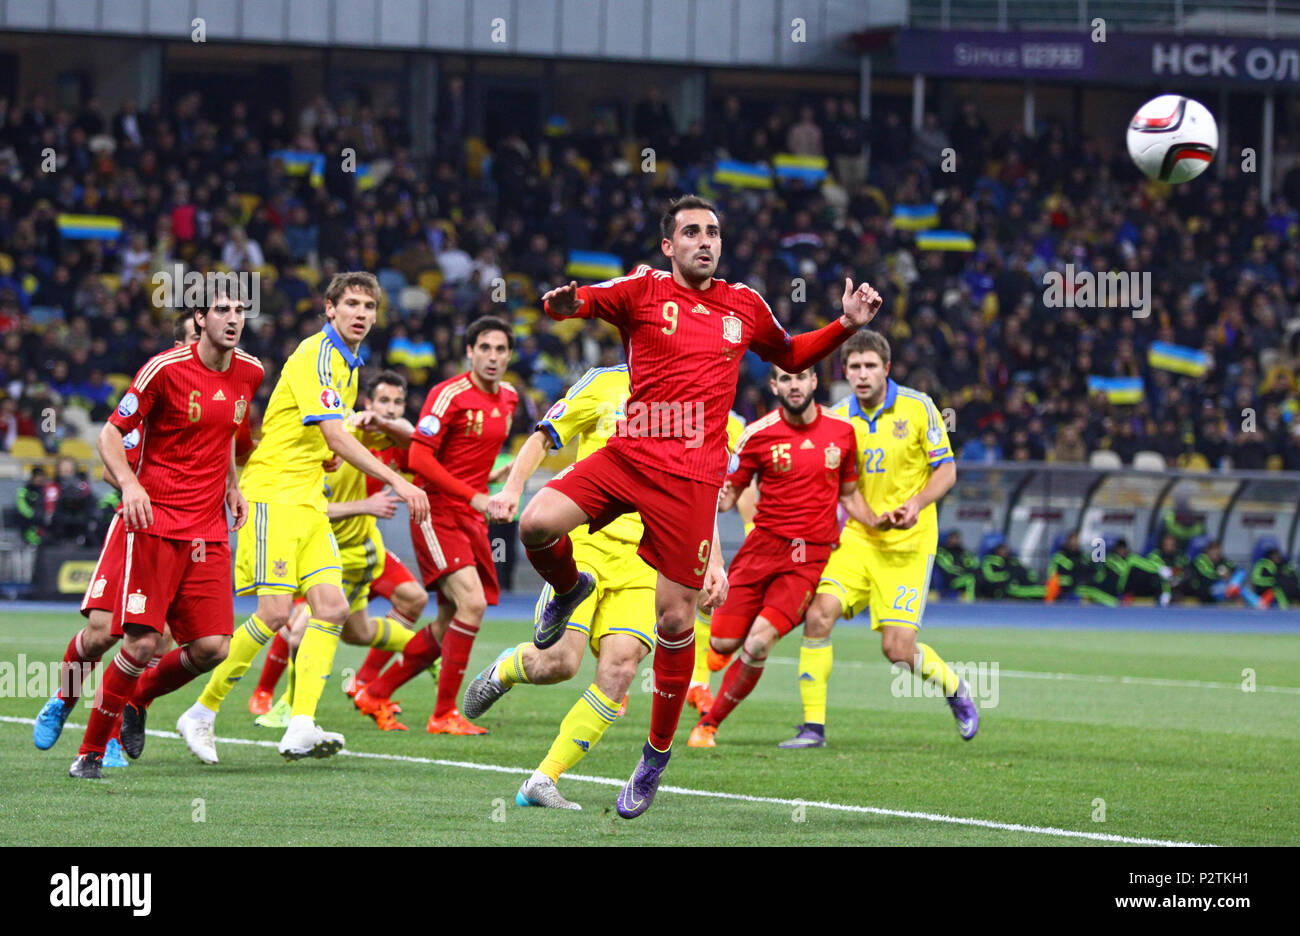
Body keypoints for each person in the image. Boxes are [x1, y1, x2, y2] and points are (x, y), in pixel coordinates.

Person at [524, 195, 882, 816]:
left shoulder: (743, 304)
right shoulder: (642, 289)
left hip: (691, 479)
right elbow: (589, 297)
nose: (704, 241)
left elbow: (791, 353)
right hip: (629, 455)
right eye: (690, 232)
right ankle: (567, 588)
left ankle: (654, 758)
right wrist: (566, 304)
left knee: (674, 623)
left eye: (712, 232)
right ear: (669, 246)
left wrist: (845, 324)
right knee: (535, 523)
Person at [176, 272, 429, 764]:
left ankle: (301, 724)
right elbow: (336, 435)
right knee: (273, 615)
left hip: (309, 500)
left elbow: (321, 438)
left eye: (369, 306)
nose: (361, 313)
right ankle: (201, 712)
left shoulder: (349, 363)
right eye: (351, 303)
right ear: (329, 309)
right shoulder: (316, 354)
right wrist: (398, 480)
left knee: (331, 608)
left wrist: (325, 458)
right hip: (272, 496)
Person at [67, 290, 265, 778]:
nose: (233, 319)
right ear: (199, 318)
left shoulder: (251, 372)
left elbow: (228, 439)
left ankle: (137, 700)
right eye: (222, 310)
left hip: (209, 529)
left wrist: (234, 487)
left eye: (241, 310)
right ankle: (89, 753)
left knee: (213, 648)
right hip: (155, 524)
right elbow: (111, 433)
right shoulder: (163, 369)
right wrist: (131, 485)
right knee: (136, 643)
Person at [460, 363, 652, 808]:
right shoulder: (603, 380)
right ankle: (507, 668)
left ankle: (543, 780)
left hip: (646, 555)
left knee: (621, 670)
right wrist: (513, 488)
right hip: (587, 540)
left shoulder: (689, 392)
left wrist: (712, 560)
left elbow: (699, 482)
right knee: (560, 662)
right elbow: (544, 435)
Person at [791, 329, 971, 751]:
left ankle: (955, 688)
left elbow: (946, 471)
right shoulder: (835, 419)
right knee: (818, 616)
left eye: (870, 366)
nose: (862, 374)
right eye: (854, 367)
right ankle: (812, 728)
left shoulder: (920, 407)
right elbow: (835, 486)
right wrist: (866, 517)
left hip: (909, 546)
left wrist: (916, 504)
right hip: (859, 540)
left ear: (886, 369)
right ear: (845, 372)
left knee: (896, 649)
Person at [33, 312, 199, 766]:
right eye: (193, 337)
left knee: (155, 640)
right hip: (133, 526)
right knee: (102, 633)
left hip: (183, 531)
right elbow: (110, 456)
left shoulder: (211, 402)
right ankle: (64, 699)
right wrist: (133, 487)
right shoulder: (157, 391)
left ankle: (105, 733)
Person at [353, 316, 517, 735]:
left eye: (500, 349)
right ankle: (443, 714)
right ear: (469, 352)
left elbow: (466, 457)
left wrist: (494, 479)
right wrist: (475, 494)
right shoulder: (447, 396)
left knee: (448, 624)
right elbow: (422, 459)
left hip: (471, 515)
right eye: (485, 348)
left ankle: (374, 691)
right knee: (473, 605)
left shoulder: (510, 399)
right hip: (437, 511)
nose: (493, 357)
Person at [686, 364, 860, 748]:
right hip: (760, 551)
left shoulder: (843, 433)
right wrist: (708, 491)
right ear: (774, 384)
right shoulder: (756, 435)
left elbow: (849, 494)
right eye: (786, 378)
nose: (794, 385)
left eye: (801, 378)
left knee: (759, 643)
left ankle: (708, 726)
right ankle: (719, 653)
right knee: (723, 644)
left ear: (815, 381)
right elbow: (730, 495)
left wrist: (880, 521)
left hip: (806, 558)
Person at [247, 370, 430, 726]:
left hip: (361, 548)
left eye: (397, 403)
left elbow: (424, 444)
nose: (390, 410)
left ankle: (360, 682)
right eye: (383, 402)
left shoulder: (388, 442)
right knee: (299, 625)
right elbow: (312, 506)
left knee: (411, 599)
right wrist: (365, 505)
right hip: (317, 545)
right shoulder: (337, 438)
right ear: (366, 403)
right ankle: (270, 694)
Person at [935, 528, 978, 601]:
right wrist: (964, 571)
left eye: (957, 538)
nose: (956, 540)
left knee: (977, 576)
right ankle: (969, 604)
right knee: (970, 579)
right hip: (950, 580)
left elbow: (973, 563)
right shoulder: (941, 551)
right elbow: (948, 568)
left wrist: (972, 570)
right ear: (948, 539)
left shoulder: (963, 551)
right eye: (953, 538)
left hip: (963, 576)